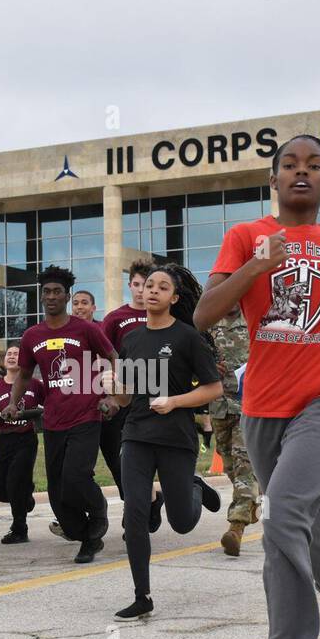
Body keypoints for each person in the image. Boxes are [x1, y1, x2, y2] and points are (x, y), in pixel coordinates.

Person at [195, 134, 320, 639]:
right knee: (301, 508)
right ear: (273, 179)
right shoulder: (246, 236)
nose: (302, 172)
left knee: (283, 512)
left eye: (314, 166)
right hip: (264, 407)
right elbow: (205, 313)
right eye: (289, 165)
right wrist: (257, 264)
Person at [104, 263, 223, 619]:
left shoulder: (187, 337)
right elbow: (125, 399)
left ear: (173, 297)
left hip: (176, 437)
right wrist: (116, 388)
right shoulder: (131, 340)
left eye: (161, 287)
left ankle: (195, 488)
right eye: (147, 286)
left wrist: (174, 401)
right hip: (137, 435)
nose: (151, 291)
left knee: (183, 522)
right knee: (135, 515)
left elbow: (212, 388)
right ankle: (143, 595)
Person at [8, 265, 120, 564]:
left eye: (58, 291)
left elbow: (112, 358)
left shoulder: (86, 329)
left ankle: (97, 515)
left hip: (86, 414)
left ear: (67, 296)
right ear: (41, 296)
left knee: (75, 476)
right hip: (53, 419)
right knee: (57, 490)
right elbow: (23, 374)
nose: (52, 296)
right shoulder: (33, 335)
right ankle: (84, 535)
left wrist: (110, 394)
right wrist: (13, 403)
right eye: (47, 292)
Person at [96, 260, 152, 503]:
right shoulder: (115, 318)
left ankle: (144, 504)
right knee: (116, 455)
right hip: (121, 395)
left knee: (150, 456)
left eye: (146, 285)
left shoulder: (163, 316)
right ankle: (136, 505)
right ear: (129, 285)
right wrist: (108, 393)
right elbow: (100, 358)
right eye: (137, 284)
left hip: (155, 395)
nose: (141, 290)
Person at [209, 303, 261, 555]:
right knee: (230, 466)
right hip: (219, 404)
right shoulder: (209, 323)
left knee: (243, 463)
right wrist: (207, 366)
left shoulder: (255, 320)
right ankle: (252, 499)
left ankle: (236, 527)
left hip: (249, 403)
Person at [0, 346, 42, 543]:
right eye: (9, 354)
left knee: (16, 481)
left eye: (17, 354)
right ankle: (26, 497)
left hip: (26, 438)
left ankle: (19, 528)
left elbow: (50, 404)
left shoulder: (34, 384)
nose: (13, 357)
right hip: (5, 438)